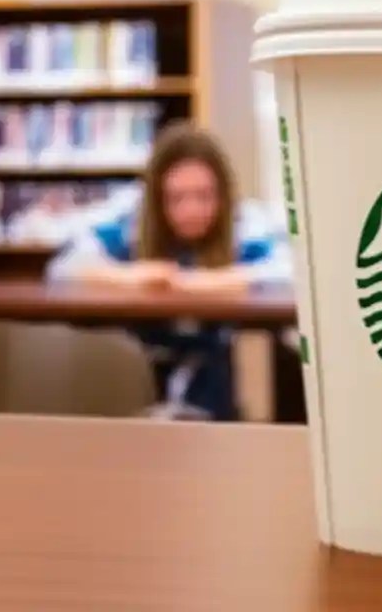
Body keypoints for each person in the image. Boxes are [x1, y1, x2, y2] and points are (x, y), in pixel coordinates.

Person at [47, 122, 291, 421]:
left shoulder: (246, 222)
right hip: (139, 382)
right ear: (156, 198)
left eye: (204, 196)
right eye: (176, 198)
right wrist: (133, 277)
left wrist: (201, 283)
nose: (191, 210)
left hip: (213, 383)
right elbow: (64, 267)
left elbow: (290, 270)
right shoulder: (129, 218)